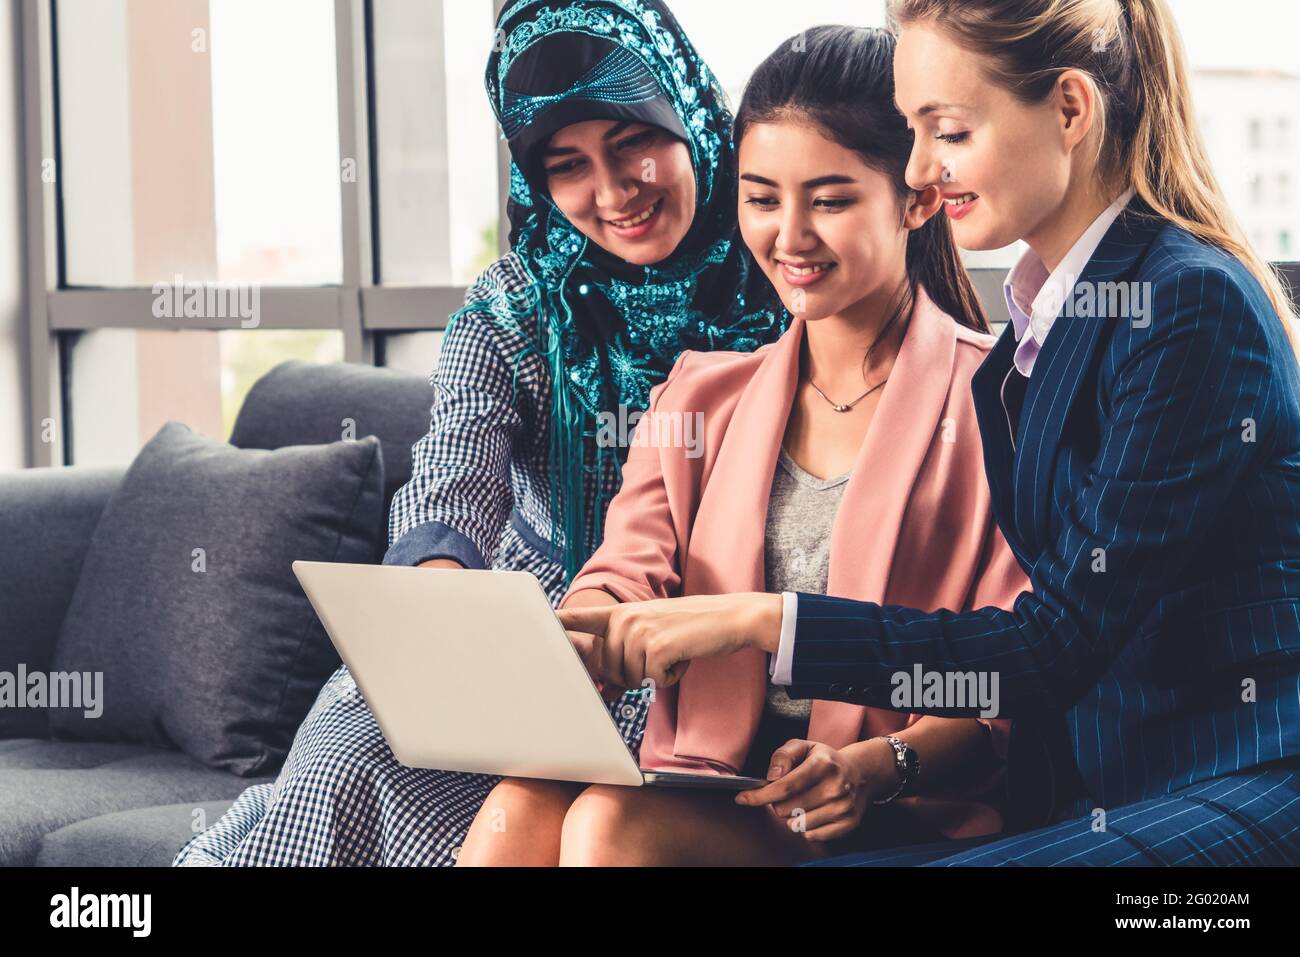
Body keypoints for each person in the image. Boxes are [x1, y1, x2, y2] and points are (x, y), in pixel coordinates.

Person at [555, 0, 1300, 867]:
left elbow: (1047, 644)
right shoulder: (1047, 329)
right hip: (1108, 798)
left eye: (945, 131)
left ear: (1069, 108)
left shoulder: (1183, 305)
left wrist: (764, 622)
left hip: (1239, 782)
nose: (920, 169)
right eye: (912, 131)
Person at [172, 0, 785, 867]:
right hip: (529, 647)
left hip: (706, 654)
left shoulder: (787, 267)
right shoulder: (517, 306)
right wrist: (443, 600)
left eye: (629, 143)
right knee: (348, 750)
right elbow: (450, 481)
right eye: (567, 165)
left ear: (682, 106)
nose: (611, 194)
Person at [456, 26, 1030, 867]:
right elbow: (623, 573)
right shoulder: (700, 395)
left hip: (885, 803)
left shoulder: (1002, 405)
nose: (789, 237)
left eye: (829, 201)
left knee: (608, 827)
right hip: (713, 782)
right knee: (523, 804)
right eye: (762, 199)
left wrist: (876, 765)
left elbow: (1002, 681)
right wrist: (583, 636)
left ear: (915, 198)